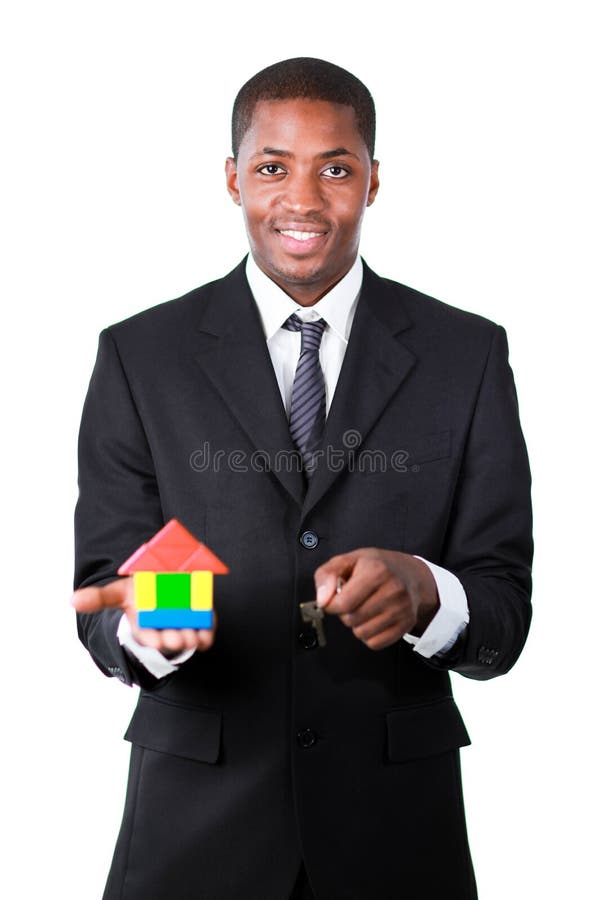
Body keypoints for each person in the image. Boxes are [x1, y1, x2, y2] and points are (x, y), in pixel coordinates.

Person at [72, 57, 533, 900]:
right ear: (232, 178)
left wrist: (429, 592)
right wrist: (152, 627)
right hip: (194, 833)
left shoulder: (467, 355)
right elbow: (108, 589)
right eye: (272, 167)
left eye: (336, 168)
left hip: (396, 833)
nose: (304, 200)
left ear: (373, 180)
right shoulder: (141, 356)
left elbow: (504, 605)